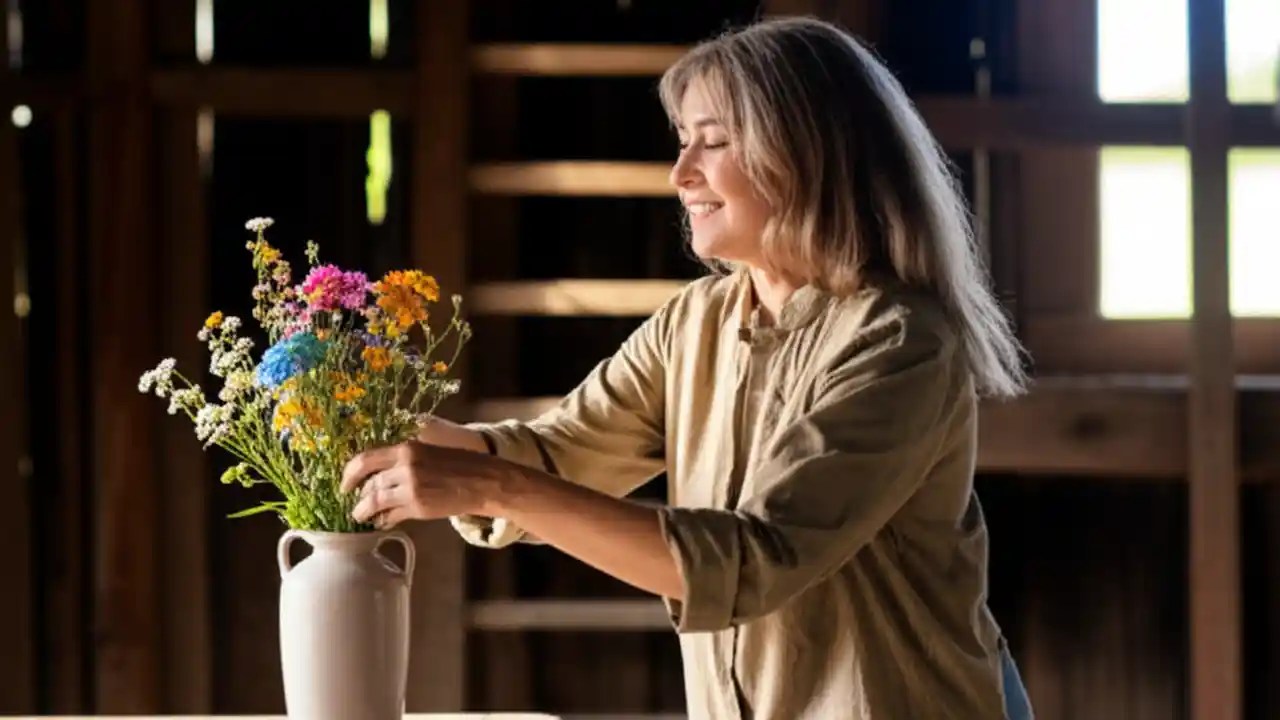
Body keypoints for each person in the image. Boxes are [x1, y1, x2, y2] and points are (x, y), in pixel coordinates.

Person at [341, 16, 1035, 720]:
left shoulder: (900, 341)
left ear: (804, 151)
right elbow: (558, 456)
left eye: (713, 141)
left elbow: (754, 562)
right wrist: (393, 437)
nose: (681, 175)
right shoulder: (696, 321)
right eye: (682, 143)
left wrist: (489, 483)